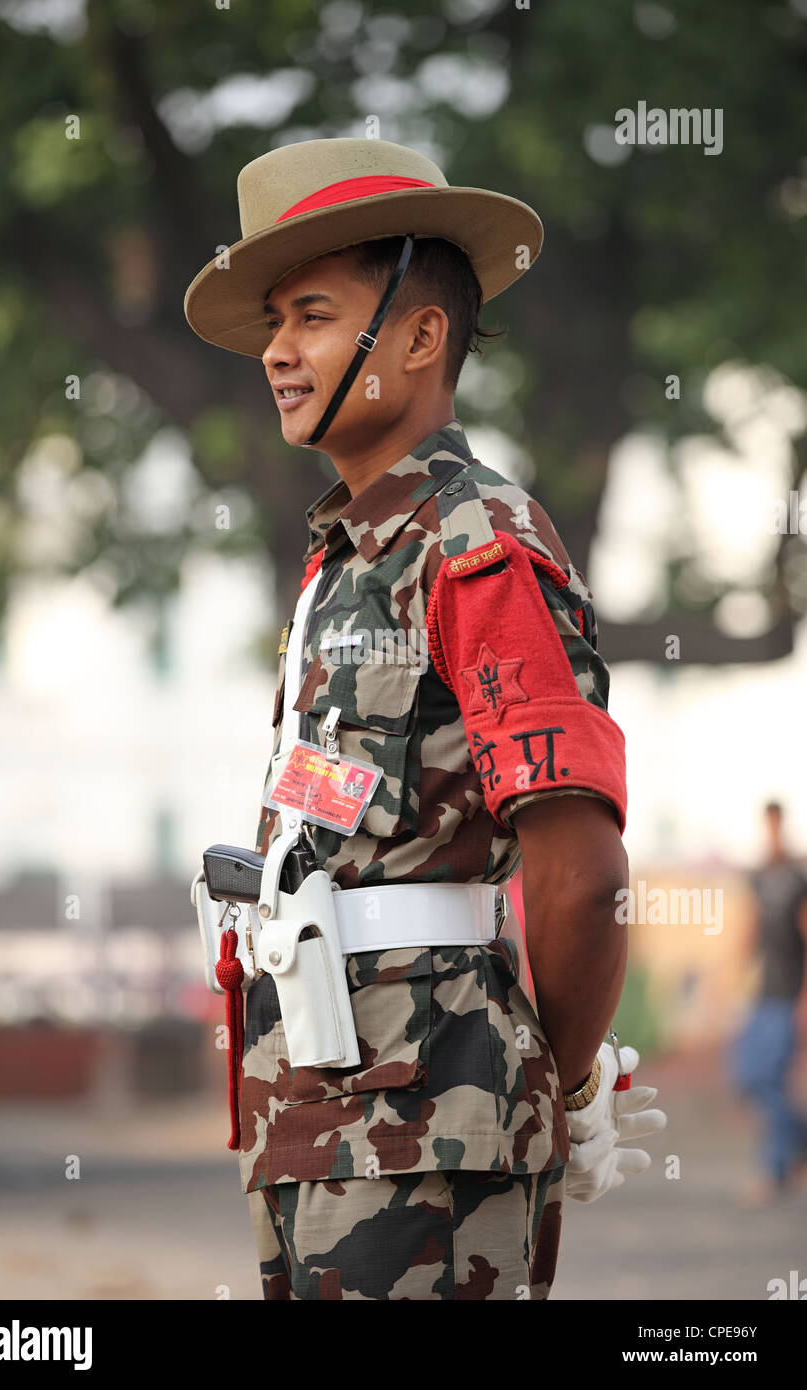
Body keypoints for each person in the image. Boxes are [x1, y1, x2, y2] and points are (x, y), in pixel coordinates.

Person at [185, 136, 666, 1300]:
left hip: (430, 1130)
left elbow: (578, 870)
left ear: (415, 333)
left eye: (309, 315)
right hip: (316, 1113)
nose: (279, 354)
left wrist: (562, 1081)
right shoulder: (345, 563)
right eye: (271, 327)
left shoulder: (474, 545)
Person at [732, 801, 807, 1206]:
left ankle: (776, 1172)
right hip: (761, 994)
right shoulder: (759, 874)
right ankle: (801, 1143)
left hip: (788, 994)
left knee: (772, 1081)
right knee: (748, 1077)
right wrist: (725, 982)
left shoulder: (798, 876)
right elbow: (752, 931)